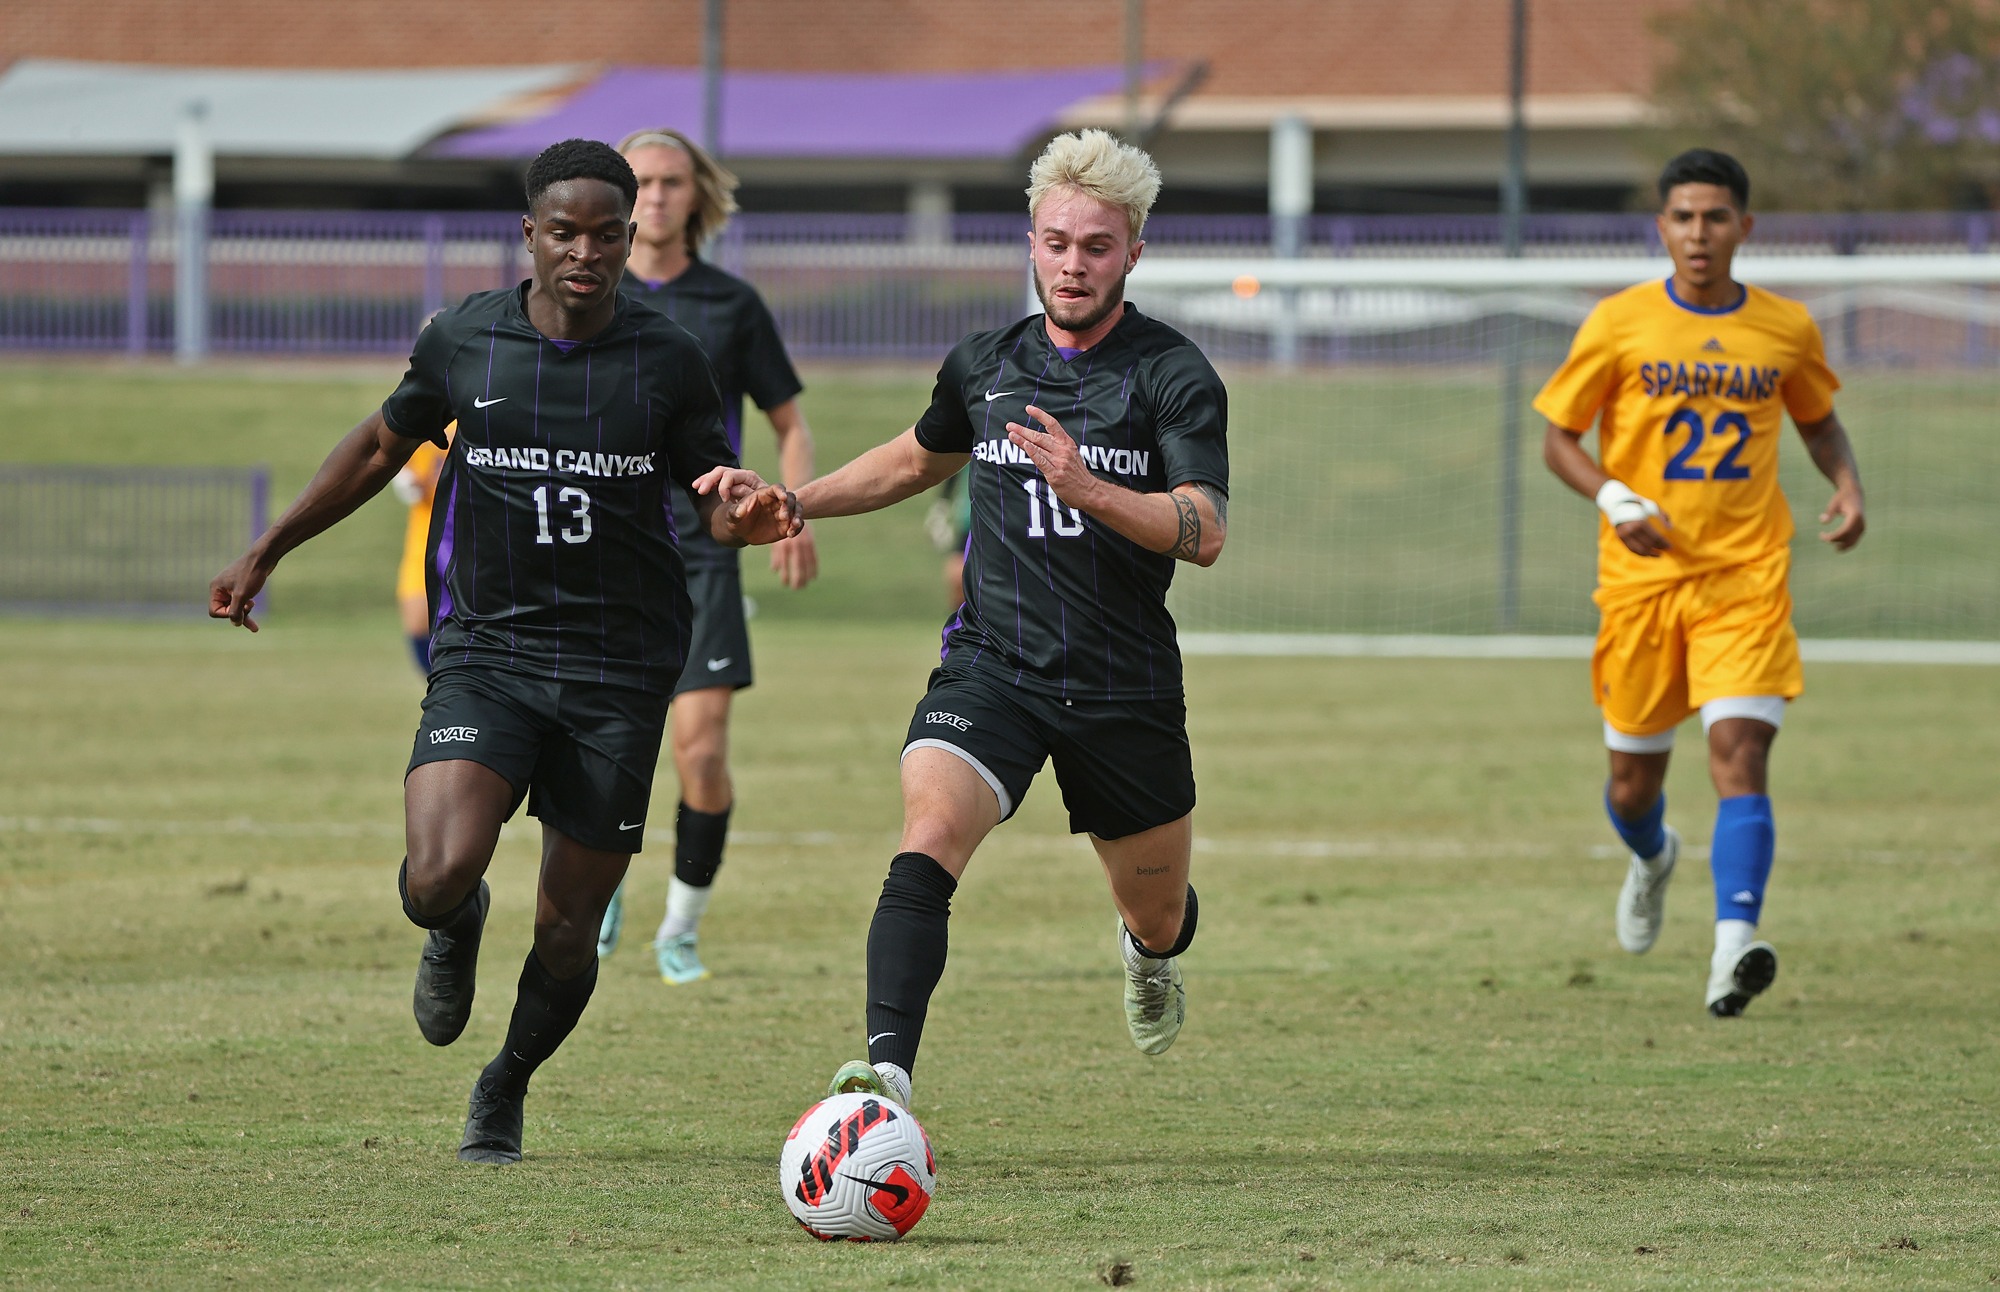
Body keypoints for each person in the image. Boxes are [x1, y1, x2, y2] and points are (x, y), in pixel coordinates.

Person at [208, 138, 800, 1163]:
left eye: (604, 233)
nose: (584, 251)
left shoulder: (667, 359)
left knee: (569, 927)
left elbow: (712, 492)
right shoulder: (466, 340)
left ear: (626, 240)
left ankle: (505, 1083)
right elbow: (376, 447)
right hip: (490, 649)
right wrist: (268, 548)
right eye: (562, 231)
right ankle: (455, 917)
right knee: (435, 874)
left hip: (620, 671)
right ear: (529, 235)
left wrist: (749, 509)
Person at [790, 129, 1229, 1111]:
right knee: (928, 830)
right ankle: (884, 1076)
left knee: (1155, 910)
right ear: (1029, 243)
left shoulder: (1170, 374)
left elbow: (1202, 529)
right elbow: (912, 459)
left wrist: (1088, 486)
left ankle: (1147, 955)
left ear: (1133, 254)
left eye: (1097, 246)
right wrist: (795, 501)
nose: (1072, 263)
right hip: (995, 666)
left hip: (1122, 685)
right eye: (1055, 241)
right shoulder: (984, 364)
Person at [1535, 148, 1866, 1016]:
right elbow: (1559, 439)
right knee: (1631, 788)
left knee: (1740, 755)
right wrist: (1612, 496)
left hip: (1746, 577)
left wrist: (1847, 483)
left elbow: (1819, 421)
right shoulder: (1619, 323)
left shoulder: (1787, 327)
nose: (1698, 233)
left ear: (1744, 228)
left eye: (1716, 217)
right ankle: (1651, 858)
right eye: (1683, 216)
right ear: (1663, 227)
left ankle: (1732, 948)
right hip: (1643, 584)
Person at [593, 127, 818, 985]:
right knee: (603, 747)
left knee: (701, 751)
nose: (654, 195)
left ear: (697, 195)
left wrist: (798, 512)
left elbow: (789, 424)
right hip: (602, 558)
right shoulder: (585, 298)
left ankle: (679, 927)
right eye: (640, 181)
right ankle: (598, 879)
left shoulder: (730, 304)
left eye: (670, 181)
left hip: (701, 555)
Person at [391, 425, 453, 673]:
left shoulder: (483, 409)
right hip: (426, 533)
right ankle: (444, 691)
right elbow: (395, 456)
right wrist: (408, 482)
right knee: (417, 622)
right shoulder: (430, 411)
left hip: (472, 533)